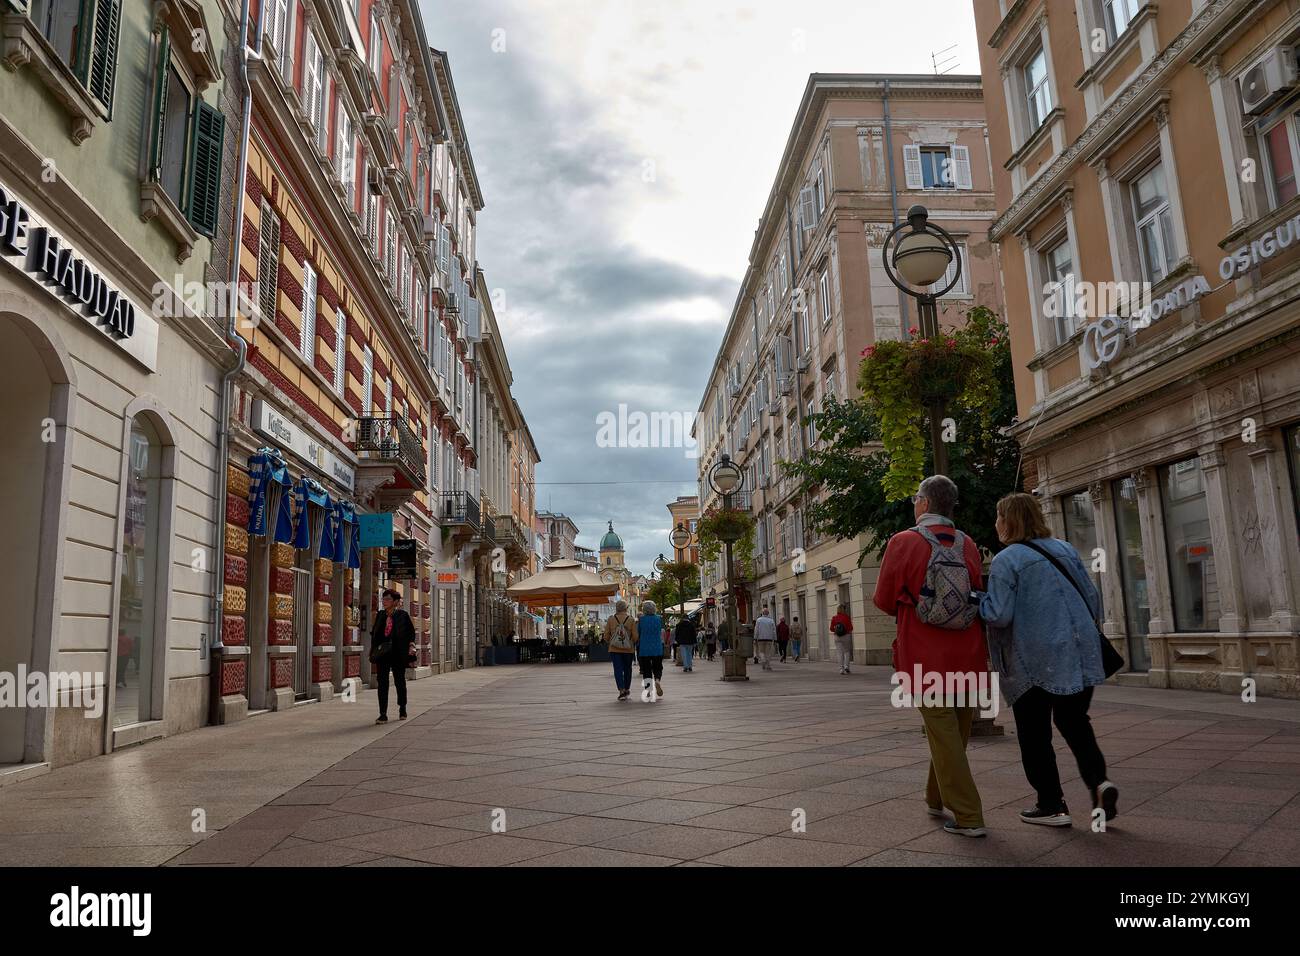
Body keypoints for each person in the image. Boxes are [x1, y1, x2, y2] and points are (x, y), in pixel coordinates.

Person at [977, 493, 1118, 828]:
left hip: (1034, 657)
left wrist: (977, 602)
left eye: (999, 517)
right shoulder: (1065, 549)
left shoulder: (1006, 560)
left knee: (1034, 732)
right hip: (1079, 650)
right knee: (1075, 723)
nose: (995, 524)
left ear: (1007, 521)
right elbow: (1093, 598)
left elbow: (998, 614)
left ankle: (1052, 804)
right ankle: (1099, 783)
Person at [872, 474, 989, 838]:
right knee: (954, 732)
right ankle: (934, 796)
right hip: (968, 654)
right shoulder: (968, 544)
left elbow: (884, 599)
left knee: (943, 733)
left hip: (925, 655)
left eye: (914, 500)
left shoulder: (903, 541)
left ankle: (969, 815)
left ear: (923, 503)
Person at [371, 588, 416, 724]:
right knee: (382, 683)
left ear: (395, 602)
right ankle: (382, 714)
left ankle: (402, 708)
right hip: (383, 654)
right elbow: (375, 633)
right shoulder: (380, 615)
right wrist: (374, 649)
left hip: (398, 653)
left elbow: (410, 633)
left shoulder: (402, 615)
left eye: (388, 599)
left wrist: (410, 645)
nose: (384, 602)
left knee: (399, 682)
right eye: (383, 599)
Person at [604, 600, 637, 700]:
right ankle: (627, 689)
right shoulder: (631, 620)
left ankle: (621, 689)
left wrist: (611, 641)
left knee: (617, 669)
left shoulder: (611, 619)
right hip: (628, 649)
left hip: (614, 649)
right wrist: (632, 642)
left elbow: (606, 636)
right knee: (628, 669)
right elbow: (635, 636)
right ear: (626, 608)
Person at [637, 600, 666, 699]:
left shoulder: (641, 620)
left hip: (644, 648)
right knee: (658, 666)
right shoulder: (659, 619)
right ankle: (657, 680)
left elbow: (638, 632)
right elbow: (660, 631)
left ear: (644, 609)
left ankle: (648, 689)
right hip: (657, 647)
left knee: (646, 669)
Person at [830, 604, 854, 674]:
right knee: (846, 652)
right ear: (844, 610)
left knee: (839, 653)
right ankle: (847, 667)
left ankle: (841, 669)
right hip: (846, 636)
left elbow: (831, 629)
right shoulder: (847, 617)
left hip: (837, 637)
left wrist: (836, 630)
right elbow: (851, 628)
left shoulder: (834, 618)